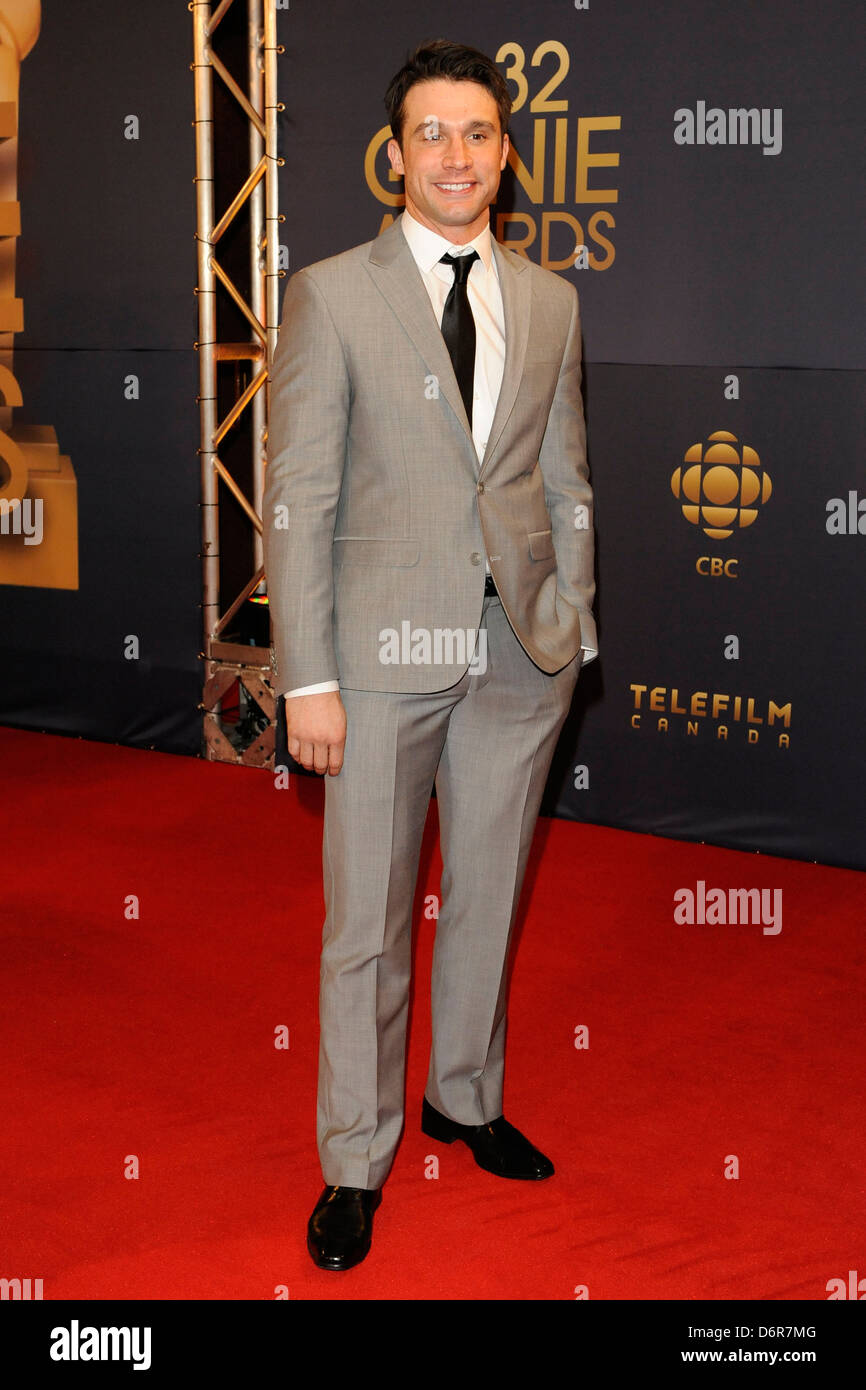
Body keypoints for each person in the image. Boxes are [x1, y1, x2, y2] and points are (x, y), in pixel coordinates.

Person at [263, 38, 597, 1272]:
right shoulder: (333, 293)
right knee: (368, 923)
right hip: (373, 660)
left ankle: (462, 1095)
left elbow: (563, 476)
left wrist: (572, 617)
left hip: (518, 649)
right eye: (431, 134)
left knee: (488, 898)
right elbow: (292, 490)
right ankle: (354, 1155)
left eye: (477, 134)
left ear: (505, 154)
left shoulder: (551, 301)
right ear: (394, 153)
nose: (455, 156)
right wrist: (305, 674)